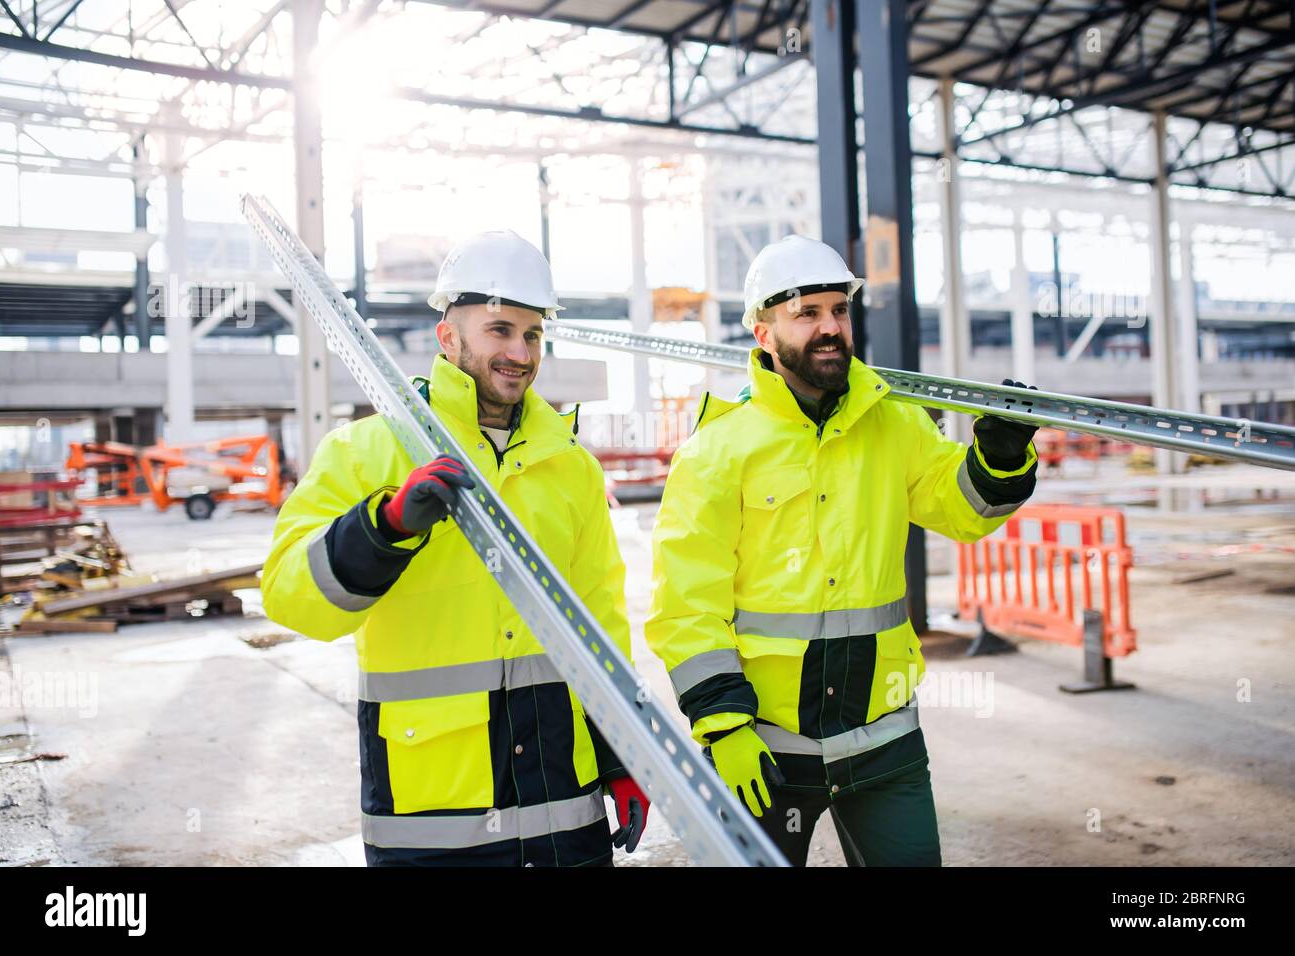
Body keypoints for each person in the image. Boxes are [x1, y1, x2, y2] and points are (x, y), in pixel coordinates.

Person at [645, 234, 1039, 866]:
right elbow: (688, 605)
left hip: (884, 739)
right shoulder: (717, 452)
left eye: (839, 311)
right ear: (763, 333)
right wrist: (723, 724)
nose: (830, 329)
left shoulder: (894, 422)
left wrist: (999, 458)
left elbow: (963, 510)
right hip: (765, 745)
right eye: (807, 313)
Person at [263, 229, 648, 866]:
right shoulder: (367, 451)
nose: (520, 352)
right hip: (432, 817)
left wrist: (622, 752)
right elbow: (288, 596)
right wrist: (382, 528)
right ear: (450, 338)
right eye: (500, 330)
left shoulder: (571, 466)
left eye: (532, 334)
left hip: (562, 804)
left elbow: (600, 624)